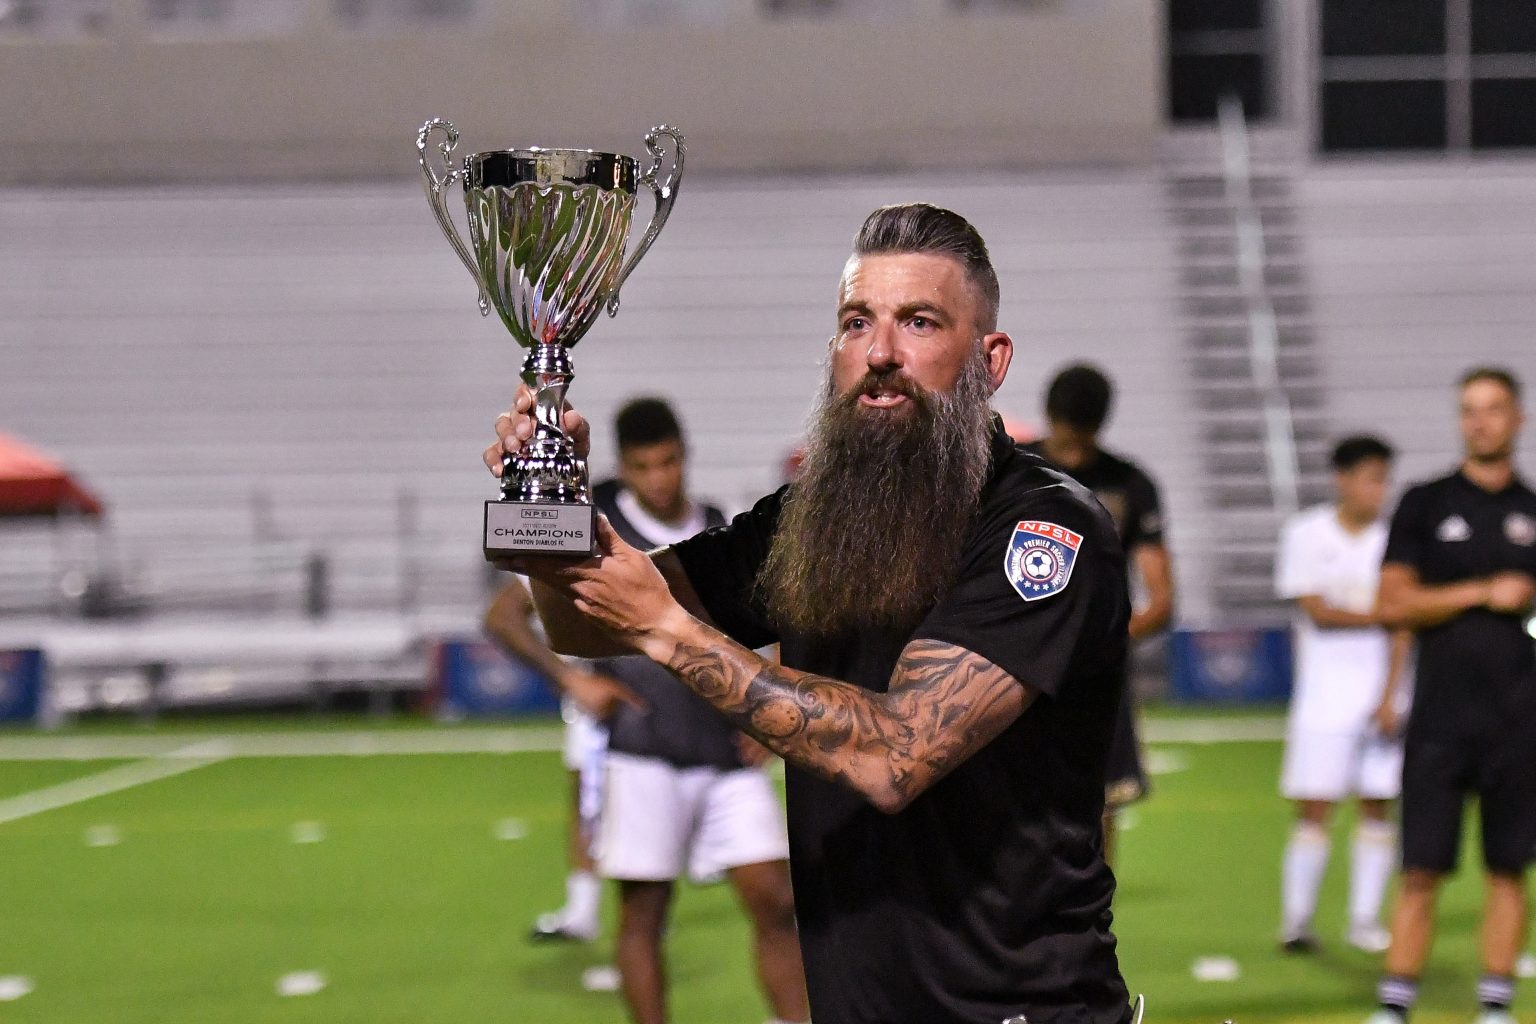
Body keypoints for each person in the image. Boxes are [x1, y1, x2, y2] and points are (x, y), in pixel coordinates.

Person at [486, 203, 1137, 1024]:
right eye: (856, 322)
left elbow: (898, 753)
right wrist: (559, 505)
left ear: (990, 358)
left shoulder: (1044, 529)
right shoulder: (814, 519)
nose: (880, 353)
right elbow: (582, 625)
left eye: (920, 322)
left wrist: (669, 631)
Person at [488, 397, 809, 1024]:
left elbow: (767, 624)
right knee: (644, 914)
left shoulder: (718, 522)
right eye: (644, 466)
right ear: (624, 468)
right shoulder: (601, 525)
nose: (659, 478)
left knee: (775, 901)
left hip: (727, 753)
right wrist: (570, 683)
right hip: (642, 751)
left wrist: (775, 712)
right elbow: (506, 614)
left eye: (668, 463)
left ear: (685, 456)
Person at [1367, 368, 1536, 1024]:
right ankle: (1395, 1004)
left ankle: (1494, 1005)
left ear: (1517, 418)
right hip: (1441, 718)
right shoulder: (1426, 503)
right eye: (1469, 409)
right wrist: (1480, 591)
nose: (1480, 421)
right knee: (1421, 869)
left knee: (1507, 869)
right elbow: (1392, 600)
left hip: (1520, 720)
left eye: (1493, 409)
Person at [1023, 364, 1175, 864]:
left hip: (1094, 671)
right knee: (1011, 794)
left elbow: (1161, 597)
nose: (1074, 452)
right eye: (1067, 437)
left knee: (1100, 800)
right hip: (1013, 663)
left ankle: (1088, 917)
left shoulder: (1128, 484)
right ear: (1049, 418)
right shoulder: (1010, 471)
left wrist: (1098, 638)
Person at [1274, 436, 1412, 955]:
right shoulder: (1306, 533)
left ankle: (1363, 920)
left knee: (1379, 805)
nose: (1379, 489)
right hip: (1323, 697)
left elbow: (1405, 628)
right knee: (1315, 807)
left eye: (1384, 478)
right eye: (1372, 477)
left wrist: (1392, 692)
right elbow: (1317, 608)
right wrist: (1386, 612)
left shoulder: (1396, 538)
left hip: (1382, 694)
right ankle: (1297, 921)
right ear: (1344, 479)